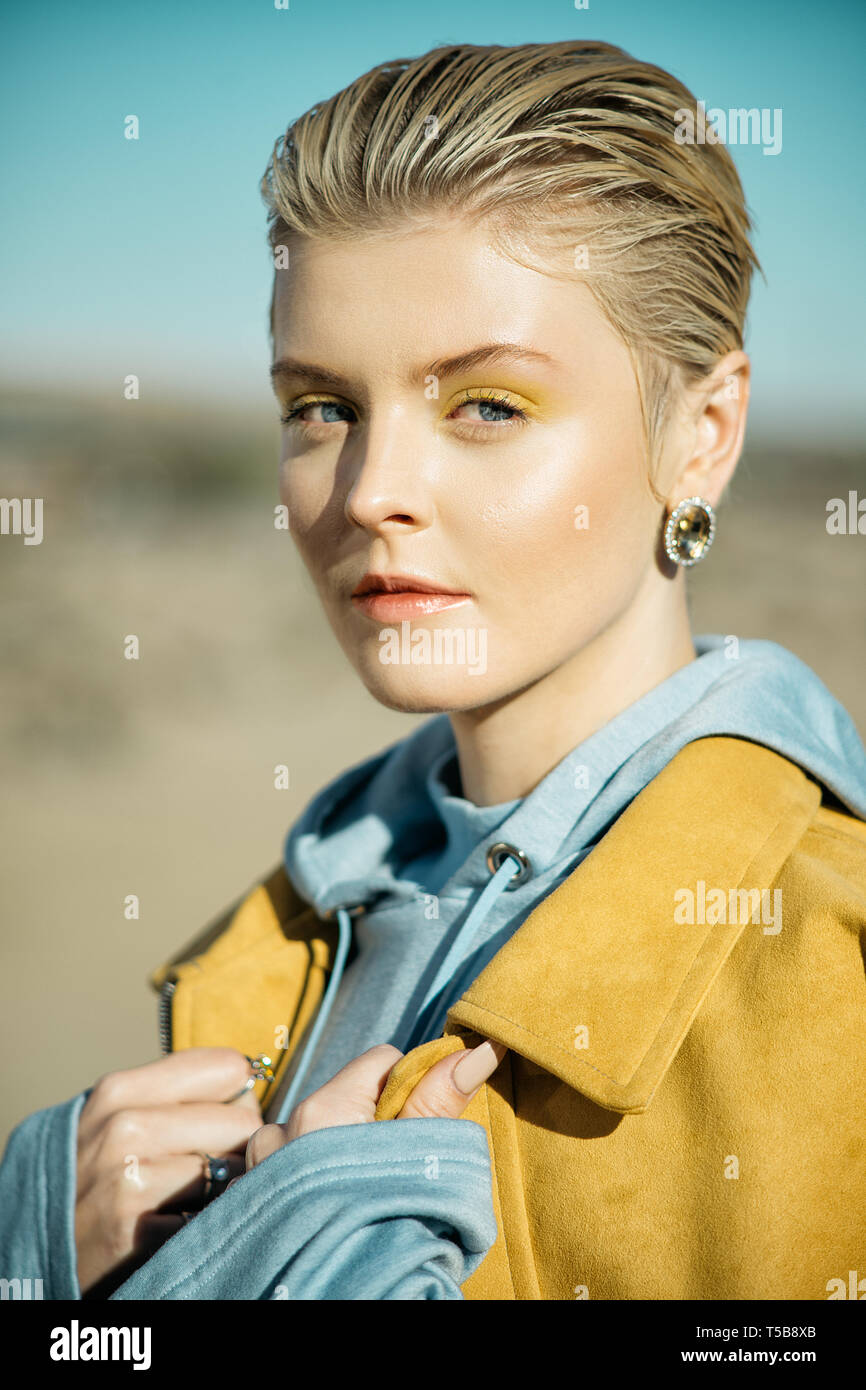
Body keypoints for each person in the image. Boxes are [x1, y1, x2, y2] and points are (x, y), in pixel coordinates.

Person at [2, 38, 865, 1301]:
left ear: (704, 434)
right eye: (322, 406)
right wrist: (41, 1269)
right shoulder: (298, 918)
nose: (369, 492)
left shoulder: (834, 974)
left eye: (487, 404)